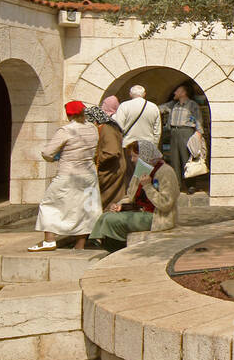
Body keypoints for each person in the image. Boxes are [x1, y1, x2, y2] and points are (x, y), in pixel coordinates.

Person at [30, 101, 101, 252]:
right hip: (88, 174)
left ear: (69, 114)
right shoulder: (93, 128)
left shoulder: (66, 130)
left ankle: (49, 240)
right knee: (85, 208)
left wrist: (54, 157)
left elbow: (48, 152)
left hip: (68, 173)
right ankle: (80, 244)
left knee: (49, 203)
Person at [90, 140, 179, 251]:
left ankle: (117, 249)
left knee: (112, 221)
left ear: (144, 156)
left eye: (134, 156)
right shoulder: (142, 170)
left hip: (157, 216)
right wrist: (120, 205)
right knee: (105, 216)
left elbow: (166, 204)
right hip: (139, 211)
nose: (132, 160)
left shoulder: (166, 172)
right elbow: (131, 195)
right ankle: (103, 243)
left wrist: (147, 186)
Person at [86, 103, 130, 208]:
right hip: (112, 169)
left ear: (95, 121)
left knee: (108, 201)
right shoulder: (108, 127)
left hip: (112, 170)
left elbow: (112, 151)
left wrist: (95, 158)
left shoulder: (107, 129)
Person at [159, 84, 202, 186]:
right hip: (174, 132)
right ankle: (177, 184)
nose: (174, 93)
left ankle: (190, 185)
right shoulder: (173, 104)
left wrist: (199, 134)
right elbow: (159, 108)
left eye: (177, 91)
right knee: (174, 159)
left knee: (187, 159)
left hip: (186, 131)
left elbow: (198, 120)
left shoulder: (192, 105)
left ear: (184, 93)